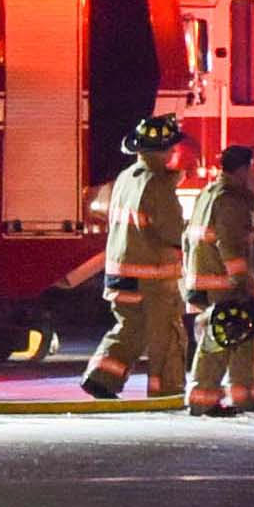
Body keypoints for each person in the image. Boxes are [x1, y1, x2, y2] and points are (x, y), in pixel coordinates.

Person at [79, 114, 191, 400]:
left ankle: (101, 378)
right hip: (151, 280)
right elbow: (172, 232)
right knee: (167, 336)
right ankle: (167, 393)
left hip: (119, 274)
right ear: (166, 149)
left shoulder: (126, 178)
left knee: (131, 329)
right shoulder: (157, 184)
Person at [186, 141, 254, 416]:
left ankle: (245, 397)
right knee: (220, 338)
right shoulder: (230, 200)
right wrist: (243, 280)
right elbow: (229, 244)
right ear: (243, 169)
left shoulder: (209, 193)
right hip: (224, 283)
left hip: (211, 279)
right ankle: (204, 400)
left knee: (242, 335)